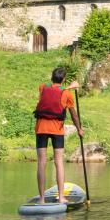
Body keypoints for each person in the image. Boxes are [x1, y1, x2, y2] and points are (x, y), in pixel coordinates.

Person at [33, 67, 82, 204]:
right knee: (58, 162)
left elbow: (54, 90)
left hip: (41, 128)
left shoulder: (42, 87)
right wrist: (79, 129)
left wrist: (69, 87)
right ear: (64, 79)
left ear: (51, 77)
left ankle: (41, 199)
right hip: (57, 130)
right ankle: (61, 197)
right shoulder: (68, 94)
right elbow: (73, 114)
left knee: (41, 163)